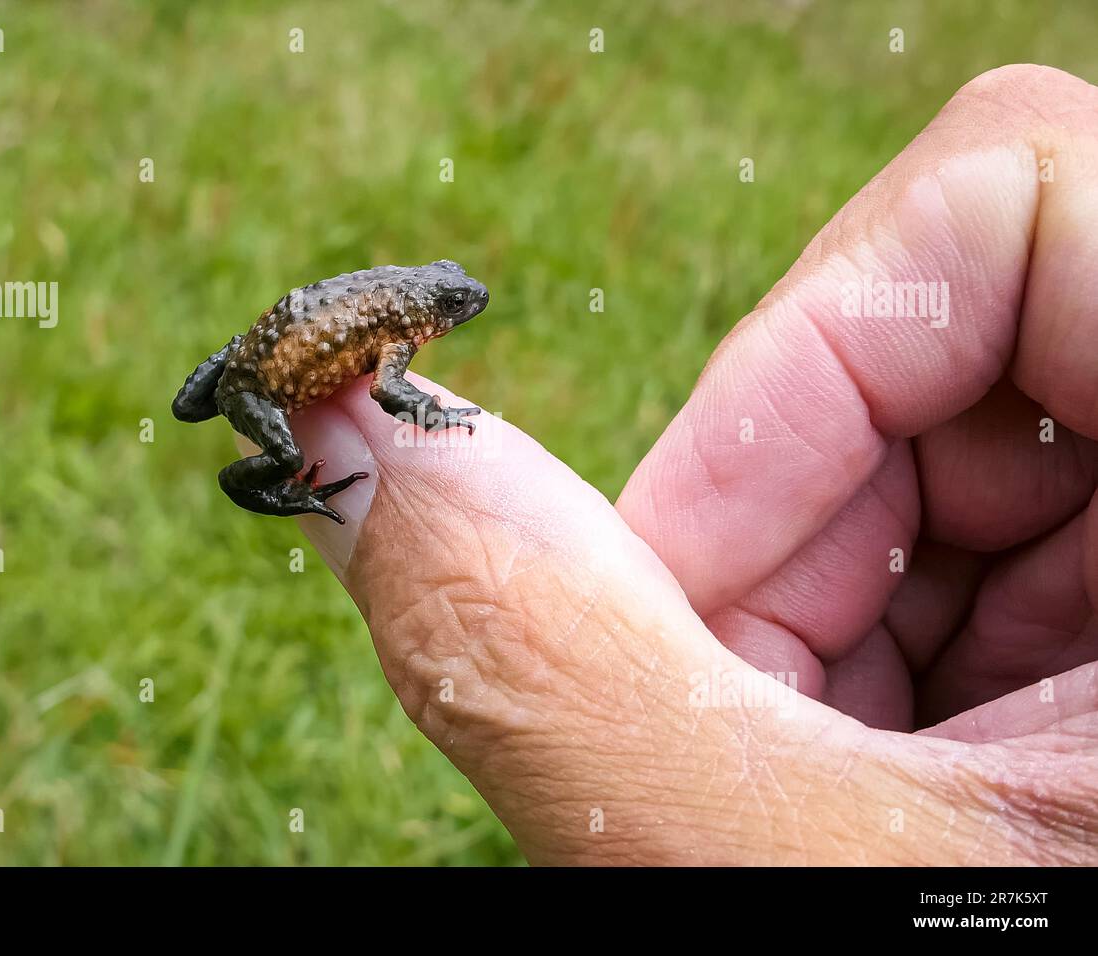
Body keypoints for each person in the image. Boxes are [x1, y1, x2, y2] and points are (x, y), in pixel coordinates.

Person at [271, 65, 1098, 865]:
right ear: (427, 314)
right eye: (453, 304)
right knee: (275, 447)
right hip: (268, 387)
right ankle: (286, 481)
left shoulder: (400, 322)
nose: (467, 306)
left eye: (453, 297)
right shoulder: (395, 346)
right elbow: (387, 395)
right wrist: (424, 417)